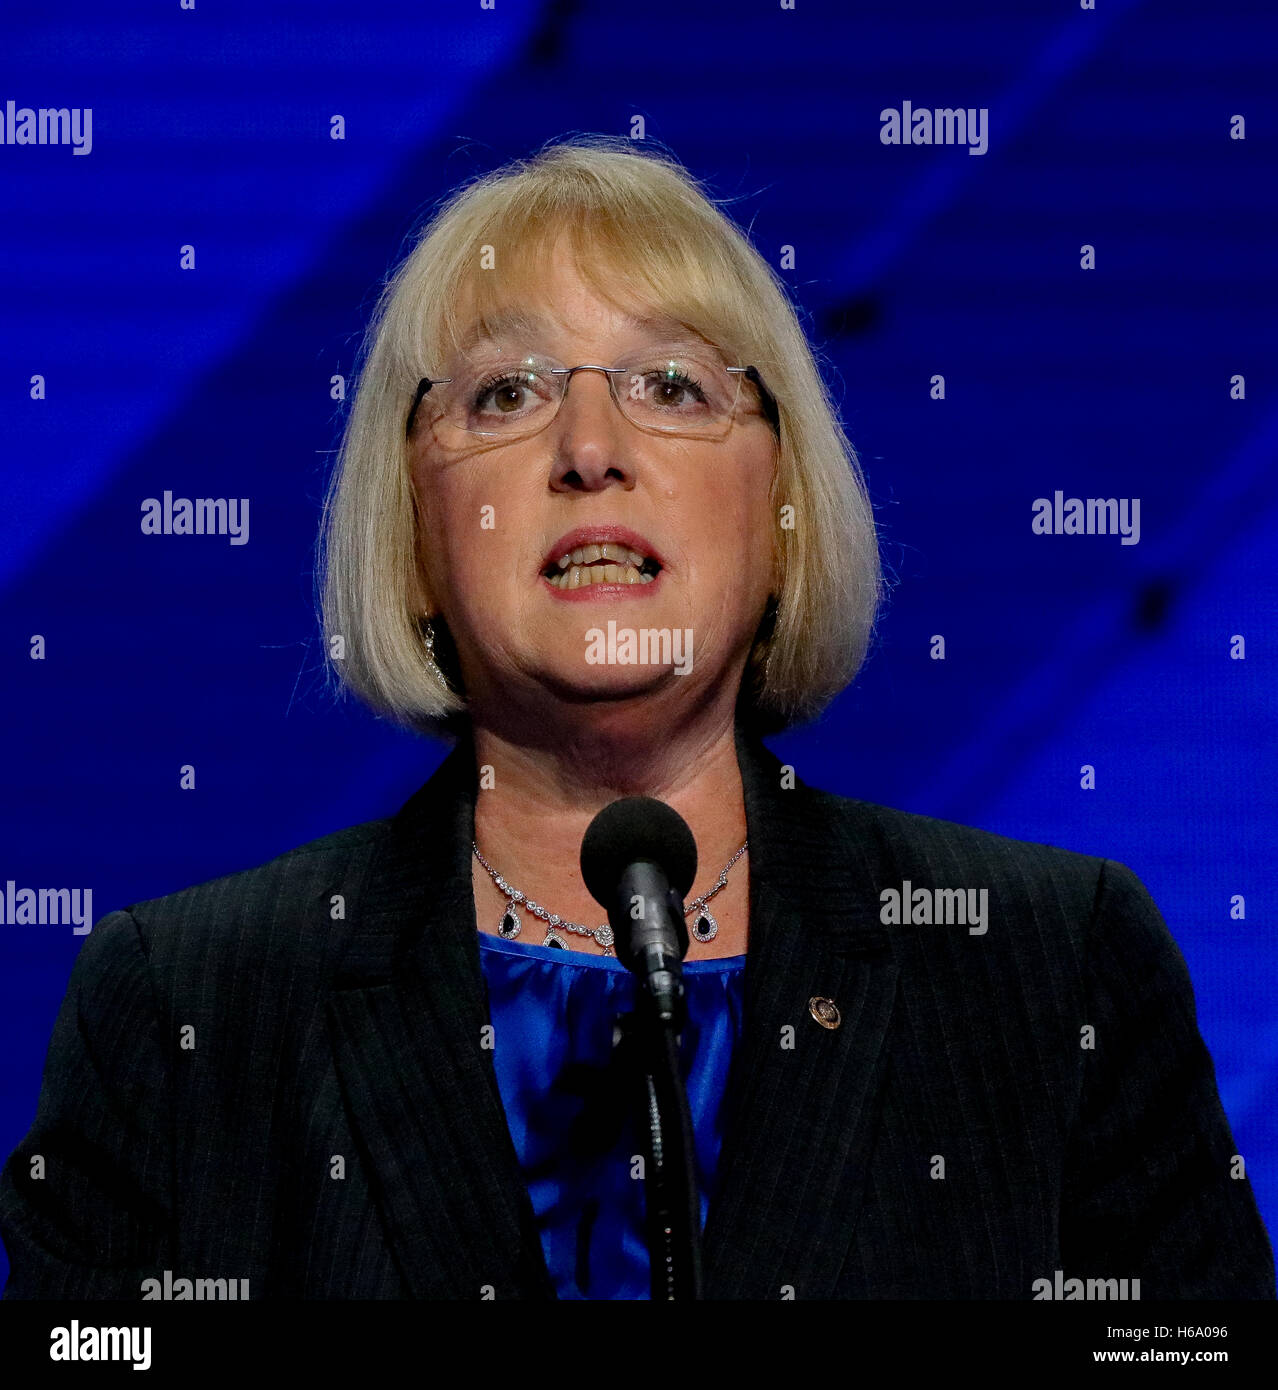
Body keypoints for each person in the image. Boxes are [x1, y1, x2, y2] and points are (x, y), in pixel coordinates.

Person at [1, 135, 1272, 1301]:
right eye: (504, 394)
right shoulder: (187, 1009)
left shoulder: (1049, 965)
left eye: (672, 382)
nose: (590, 446)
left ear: (782, 515)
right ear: (417, 546)